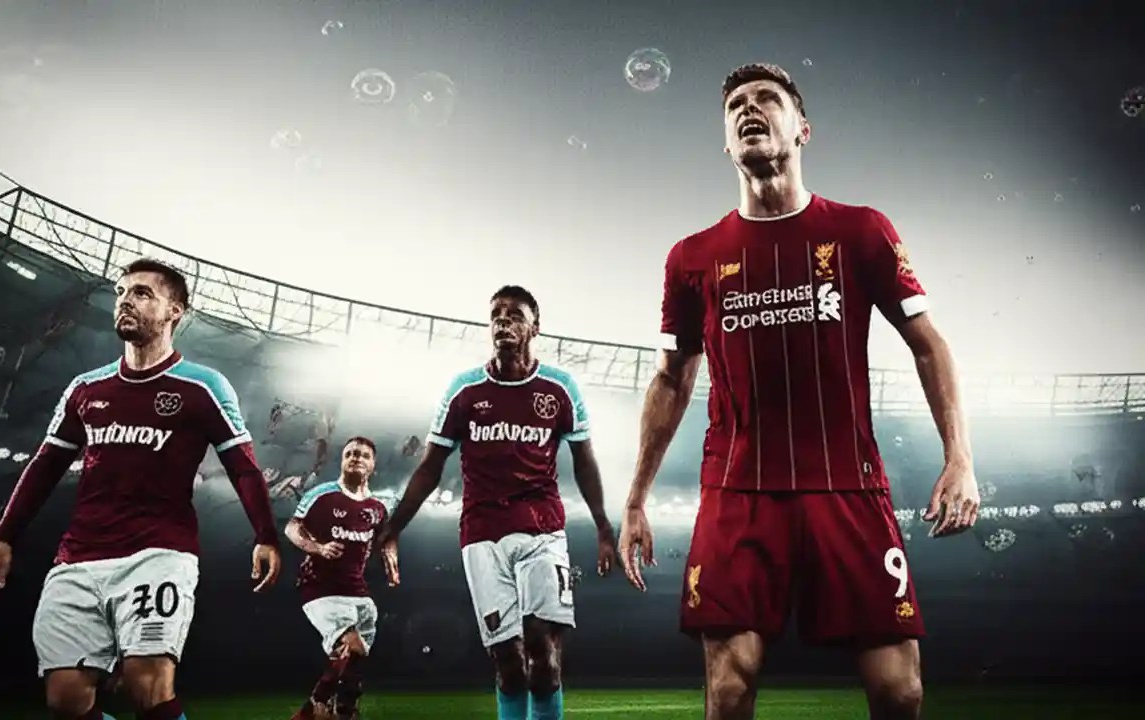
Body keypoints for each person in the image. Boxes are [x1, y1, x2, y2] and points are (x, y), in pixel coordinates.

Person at [616, 63, 979, 720]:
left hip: (848, 485)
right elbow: (671, 378)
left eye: (768, 99)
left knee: (901, 691)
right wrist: (637, 496)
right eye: (737, 106)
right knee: (728, 687)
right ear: (725, 143)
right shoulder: (692, 257)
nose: (750, 109)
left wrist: (961, 458)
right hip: (735, 491)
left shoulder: (861, 231)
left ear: (803, 128)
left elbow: (930, 343)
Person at [0, 257, 282, 720]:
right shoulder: (85, 388)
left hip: (159, 552)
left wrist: (265, 535)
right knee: (66, 700)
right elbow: (45, 465)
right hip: (78, 557)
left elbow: (242, 466)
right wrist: (3, 535)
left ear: (174, 311)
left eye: (142, 293)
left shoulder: (203, 385)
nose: (126, 300)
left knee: (146, 686)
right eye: (121, 292)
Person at [375, 285, 617, 720]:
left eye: (514, 314)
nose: (502, 321)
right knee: (508, 663)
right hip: (482, 533)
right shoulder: (465, 389)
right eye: (496, 315)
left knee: (543, 652)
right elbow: (431, 466)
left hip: (543, 530)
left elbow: (584, 461)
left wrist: (602, 527)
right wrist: (394, 527)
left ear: (535, 327)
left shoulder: (559, 388)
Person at [285, 436, 391, 720]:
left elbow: (387, 537)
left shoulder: (378, 507)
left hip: (359, 590)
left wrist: (390, 556)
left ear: (373, 465)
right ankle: (316, 703)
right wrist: (317, 547)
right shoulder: (322, 494)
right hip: (320, 587)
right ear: (343, 461)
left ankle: (343, 711)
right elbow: (292, 528)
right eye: (351, 453)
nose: (356, 457)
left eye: (364, 455)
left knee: (357, 657)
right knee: (351, 644)